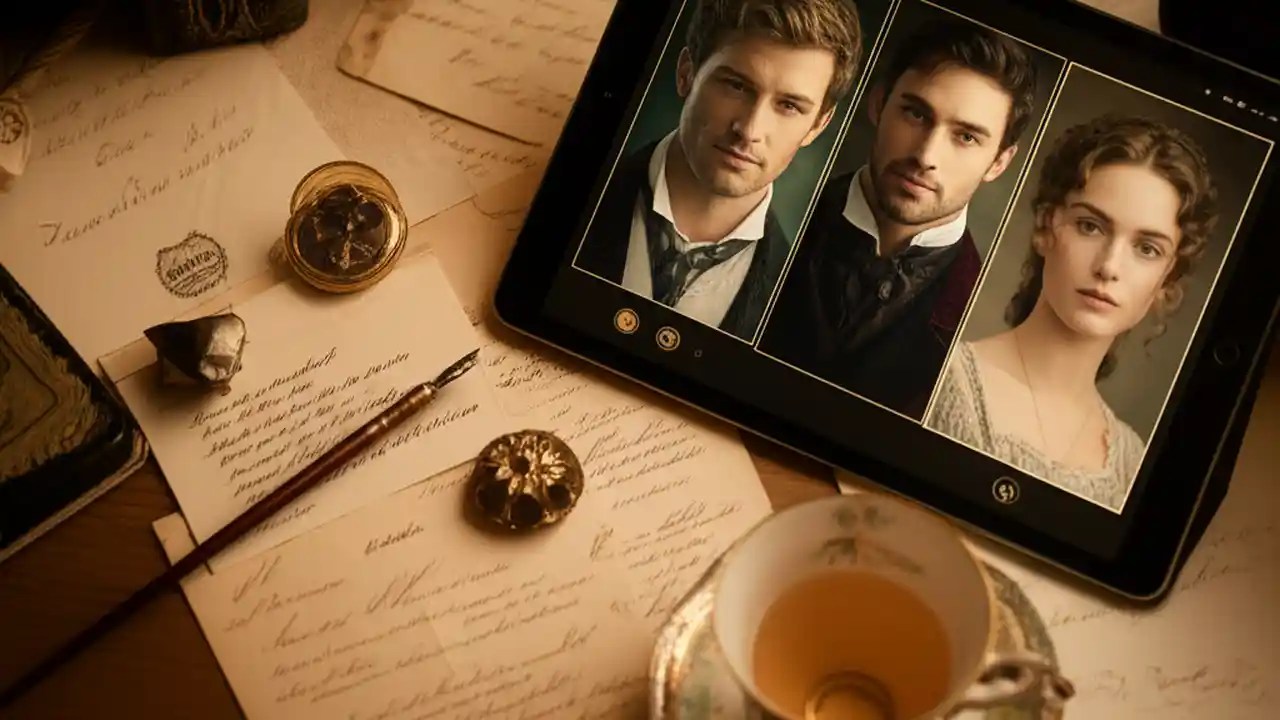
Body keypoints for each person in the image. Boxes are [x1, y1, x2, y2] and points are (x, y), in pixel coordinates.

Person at [925, 114, 1219, 511]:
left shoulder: (1132, 465)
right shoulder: (934, 374)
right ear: (1047, 226)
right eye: (1090, 226)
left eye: (1147, 249)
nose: (1109, 266)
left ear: (1166, 281)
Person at [757, 19, 1038, 417]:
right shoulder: (765, 214)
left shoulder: (993, 335)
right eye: (916, 115)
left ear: (1000, 162)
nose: (926, 157)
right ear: (878, 104)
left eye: (966, 137)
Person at [574, 0, 864, 341]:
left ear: (819, 125)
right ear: (686, 74)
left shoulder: (806, 305)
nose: (750, 130)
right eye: (736, 86)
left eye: (788, 105)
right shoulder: (576, 191)